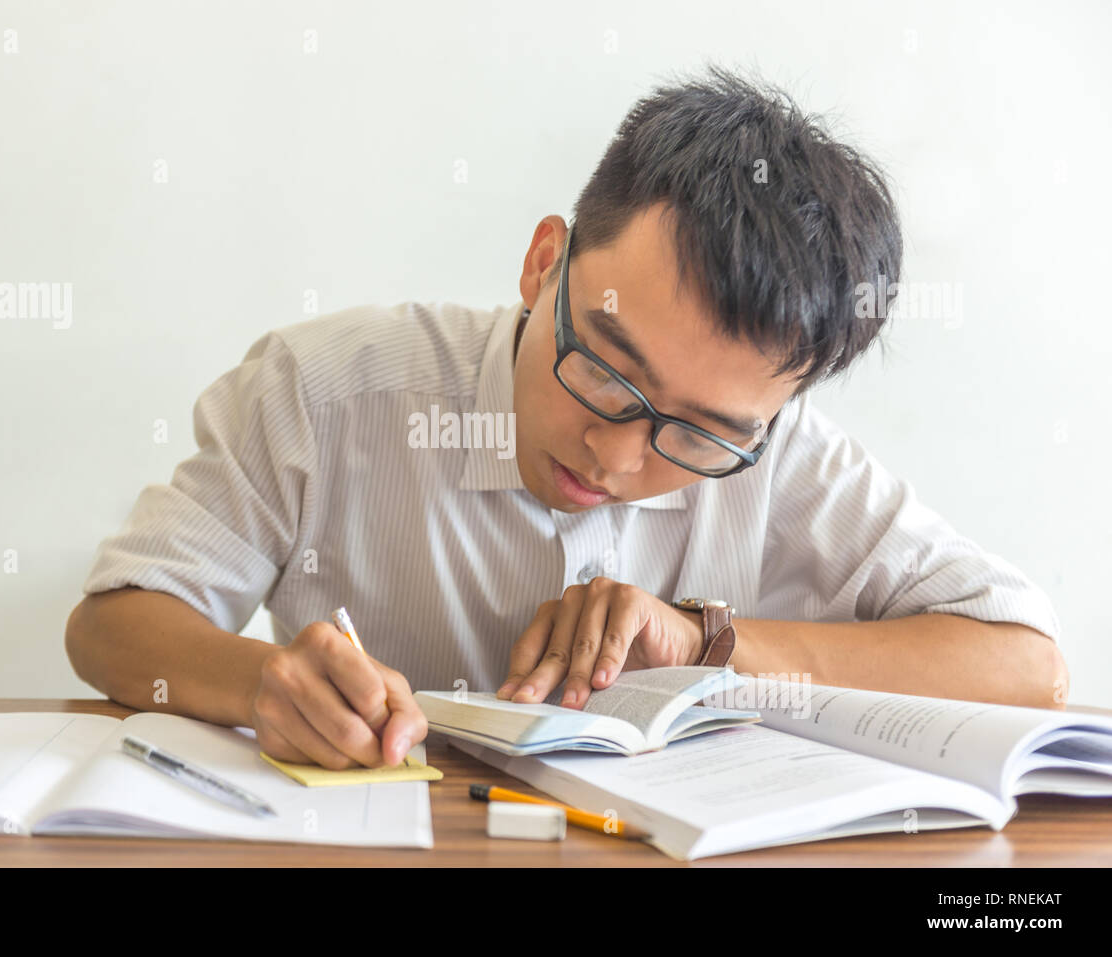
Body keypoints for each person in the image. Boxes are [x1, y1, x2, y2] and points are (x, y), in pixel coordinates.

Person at [66, 67, 1067, 771]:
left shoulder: (779, 460)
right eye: (603, 368)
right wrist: (258, 684)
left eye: (699, 433)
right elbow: (112, 625)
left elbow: (1028, 667)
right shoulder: (326, 390)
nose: (621, 453)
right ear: (544, 262)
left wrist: (705, 640)